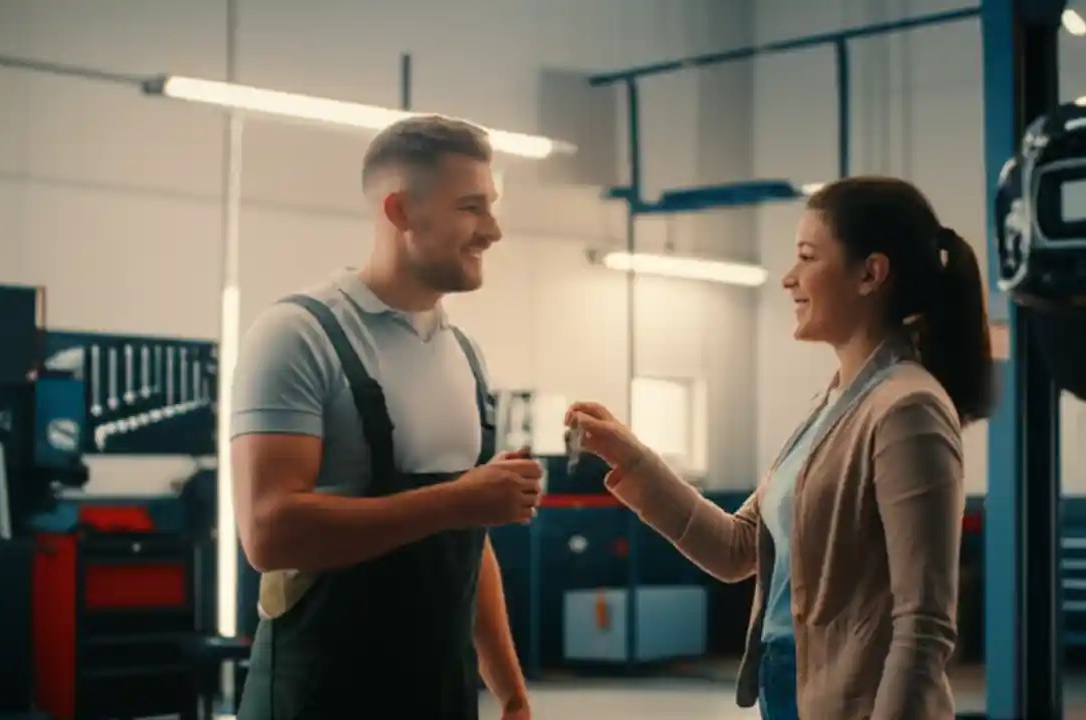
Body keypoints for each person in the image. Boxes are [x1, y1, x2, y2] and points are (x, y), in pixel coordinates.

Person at [567, 176, 994, 720]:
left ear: (870, 273)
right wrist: (631, 458)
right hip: (790, 684)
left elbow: (924, 621)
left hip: (855, 700)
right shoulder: (835, 402)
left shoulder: (907, 409)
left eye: (807, 257)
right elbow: (735, 548)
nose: (789, 279)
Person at [231, 115, 540, 720]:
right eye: (471, 207)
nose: (493, 231)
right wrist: (458, 500)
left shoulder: (464, 356)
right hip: (317, 700)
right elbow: (268, 533)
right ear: (400, 211)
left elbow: (466, 542)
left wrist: (510, 690)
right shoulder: (299, 335)